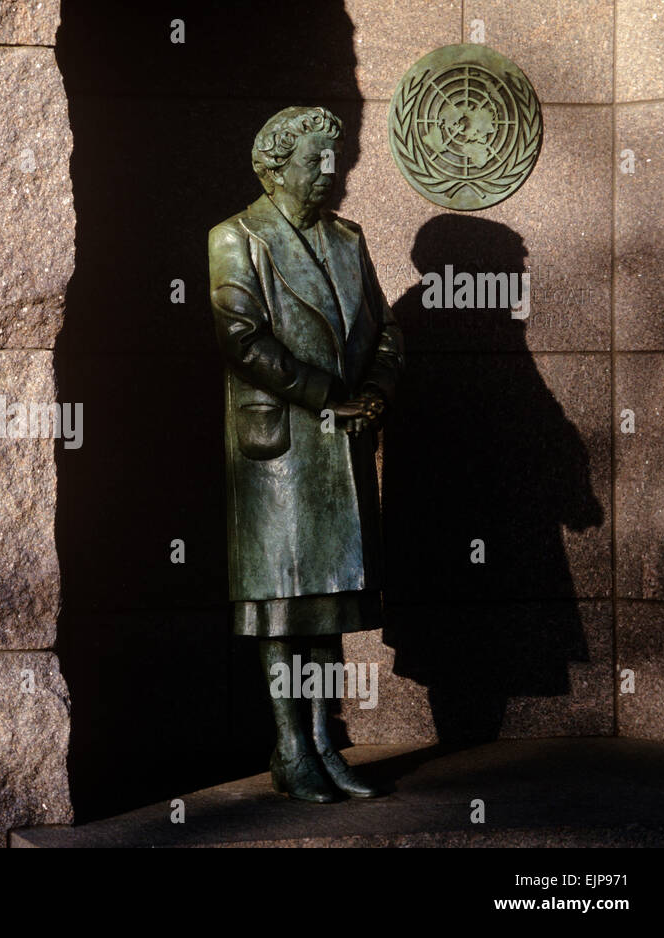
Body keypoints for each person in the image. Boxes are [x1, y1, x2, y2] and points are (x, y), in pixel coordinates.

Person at [208, 105, 405, 802]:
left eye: (335, 156)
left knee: (330, 605)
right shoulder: (237, 237)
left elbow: (385, 330)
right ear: (276, 165)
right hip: (283, 452)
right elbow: (241, 337)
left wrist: (375, 391)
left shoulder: (349, 239)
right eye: (316, 158)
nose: (331, 169)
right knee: (283, 603)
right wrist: (328, 394)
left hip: (342, 444)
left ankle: (324, 740)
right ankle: (290, 748)